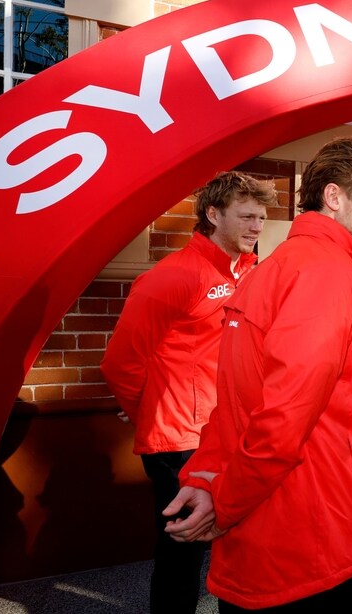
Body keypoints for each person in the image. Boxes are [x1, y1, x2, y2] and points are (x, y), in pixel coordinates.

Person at [161, 137, 352, 612]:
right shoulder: (327, 271)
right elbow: (282, 419)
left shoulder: (271, 268)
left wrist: (208, 481)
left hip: (269, 547)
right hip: (314, 546)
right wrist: (224, 502)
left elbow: (234, 402)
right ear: (334, 198)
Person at [100, 171, 276, 613]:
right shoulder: (172, 275)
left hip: (232, 432)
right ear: (212, 214)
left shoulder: (251, 272)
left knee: (236, 546)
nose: (257, 227)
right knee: (183, 554)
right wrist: (149, 413)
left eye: (261, 217)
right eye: (246, 216)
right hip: (181, 441)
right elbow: (121, 364)